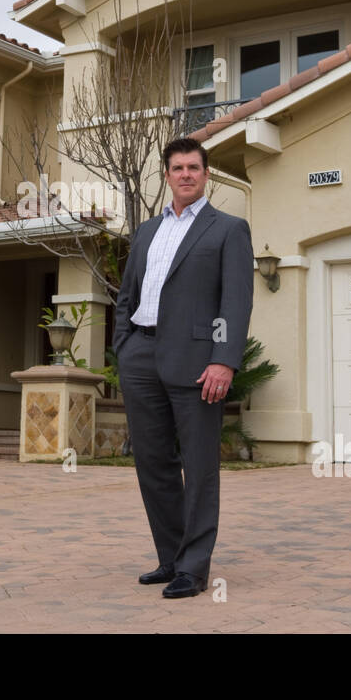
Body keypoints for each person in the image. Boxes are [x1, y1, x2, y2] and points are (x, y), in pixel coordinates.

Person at [113, 137, 254, 598]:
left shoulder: (228, 229)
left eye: (194, 167)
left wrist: (223, 360)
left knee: (199, 465)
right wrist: (124, 345)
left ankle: (194, 567)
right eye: (178, 168)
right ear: (167, 174)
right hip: (141, 356)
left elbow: (234, 302)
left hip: (197, 364)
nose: (186, 174)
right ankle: (171, 558)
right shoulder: (147, 231)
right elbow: (128, 294)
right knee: (153, 462)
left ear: (206, 174)